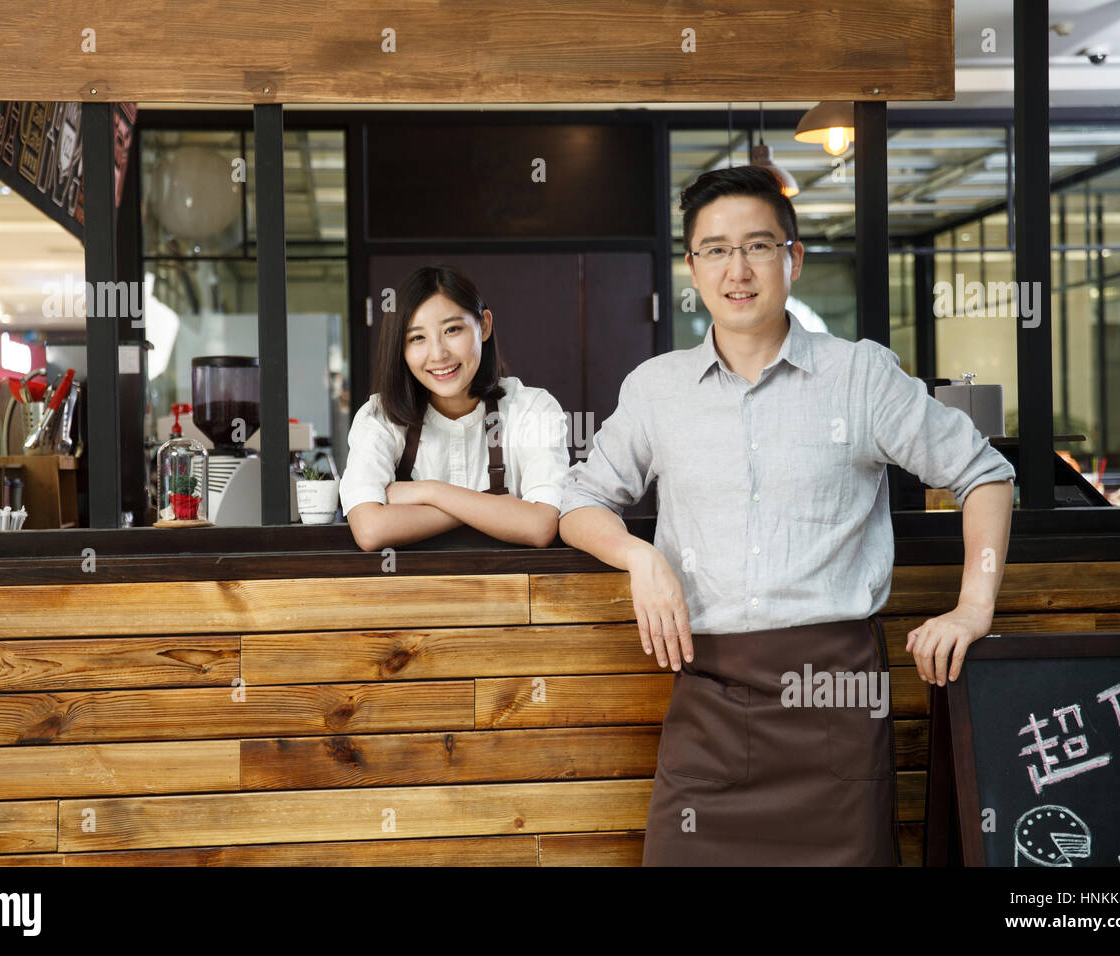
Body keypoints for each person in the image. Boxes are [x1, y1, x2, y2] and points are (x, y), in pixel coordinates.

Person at [557, 165, 1015, 866]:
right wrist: (640, 556)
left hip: (833, 697)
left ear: (792, 259)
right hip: (708, 698)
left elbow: (986, 474)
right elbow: (580, 503)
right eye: (715, 249)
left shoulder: (861, 375)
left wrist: (974, 605)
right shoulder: (656, 390)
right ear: (692, 267)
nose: (737, 269)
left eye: (758, 246)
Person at [340, 264, 570, 552]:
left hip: (511, 591)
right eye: (417, 338)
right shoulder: (379, 417)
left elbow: (539, 527)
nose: (438, 354)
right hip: (409, 592)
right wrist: (501, 511)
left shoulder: (533, 409)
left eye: (452, 329)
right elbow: (371, 531)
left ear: (484, 325)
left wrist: (429, 491)